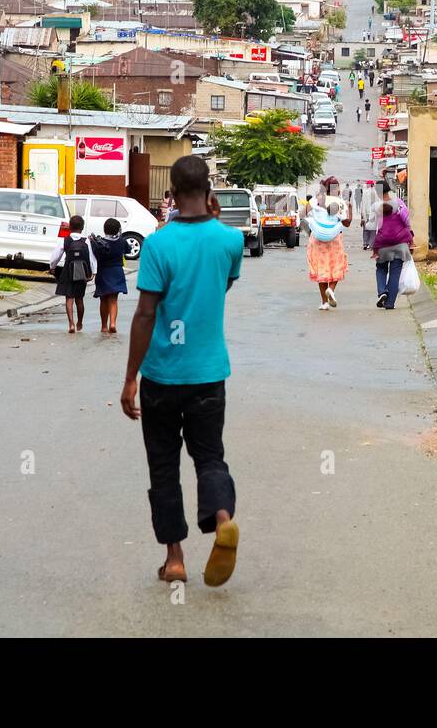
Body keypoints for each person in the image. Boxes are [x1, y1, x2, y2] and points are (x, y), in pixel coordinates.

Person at [121, 155, 244, 588]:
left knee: (163, 465)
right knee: (209, 456)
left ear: (170, 194)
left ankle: (174, 558)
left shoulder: (157, 245)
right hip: (209, 374)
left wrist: (130, 377)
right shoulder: (229, 241)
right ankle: (223, 518)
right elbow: (222, 284)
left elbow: (145, 314)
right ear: (209, 192)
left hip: (162, 377)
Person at [305, 178, 352, 311]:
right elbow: (346, 223)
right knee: (336, 267)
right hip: (334, 240)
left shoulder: (314, 200)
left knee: (321, 269)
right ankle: (331, 289)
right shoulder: (340, 203)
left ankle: (324, 303)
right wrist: (350, 209)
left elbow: (305, 214)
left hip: (317, 240)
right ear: (335, 188)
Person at [51, 214, 96, 333]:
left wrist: (52, 267)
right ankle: (79, 322)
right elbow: (92, 257)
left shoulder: (65, 240)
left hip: (68, 271)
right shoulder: (86, 240)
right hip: (82, 272)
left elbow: (55, 257)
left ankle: (71, 324)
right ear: (82, 227)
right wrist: (93, 272)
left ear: (70, 227)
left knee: (69, 298)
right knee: (79, 299)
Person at [372, 197, 413, 310]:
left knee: (381, 269)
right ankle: (390, 303)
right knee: (395, 274)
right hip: (400, 246)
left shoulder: (379, 214)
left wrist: (375, 250)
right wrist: (411, 243)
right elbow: (407, 227)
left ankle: (382, 292)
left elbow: (377, 232)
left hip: (383, 246)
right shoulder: (400, 208)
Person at [91, 218, 130, 334]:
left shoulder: (99, 242)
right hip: (117, 271)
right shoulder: (122, 241)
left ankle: (104, 326)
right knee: (113, 300)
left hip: (103, 271)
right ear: (118, 230)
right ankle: (112, 323)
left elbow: (94, 254)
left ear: (104, 229)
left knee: (103, 299)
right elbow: (128, 250)